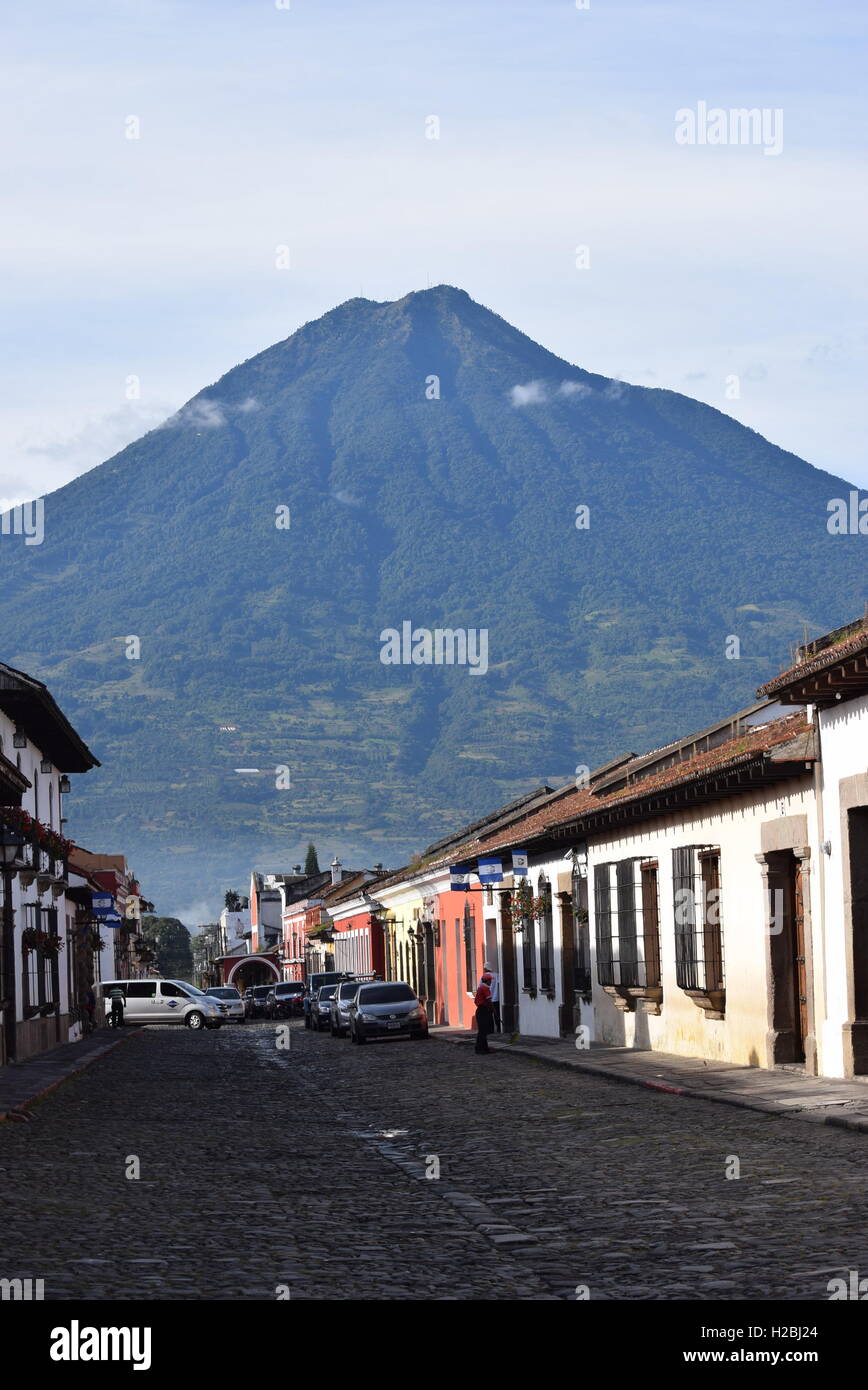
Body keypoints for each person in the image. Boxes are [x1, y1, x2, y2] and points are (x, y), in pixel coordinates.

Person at [474, 972, 494, 1054]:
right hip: (483, 1011)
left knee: (482, 1031)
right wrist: (493, 1009)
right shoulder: (485, 988)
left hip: (480, 1010)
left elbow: (475, 1001)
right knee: (483, 1031)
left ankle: (483, 1048)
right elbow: (489, 1000)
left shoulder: (480, 988)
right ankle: (481, 1049)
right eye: (490, 980)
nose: (491, 982)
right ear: (487, 981)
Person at [480, 961, 501, 1033]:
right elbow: (499, 985)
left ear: (485, 968)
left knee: (489, 1016)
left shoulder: (483, 977)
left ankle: (490, 1030)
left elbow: (481, 988)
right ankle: (499, 1029)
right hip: (496, 998)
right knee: (497, 1014)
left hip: (487, 1000)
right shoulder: (497, 975)